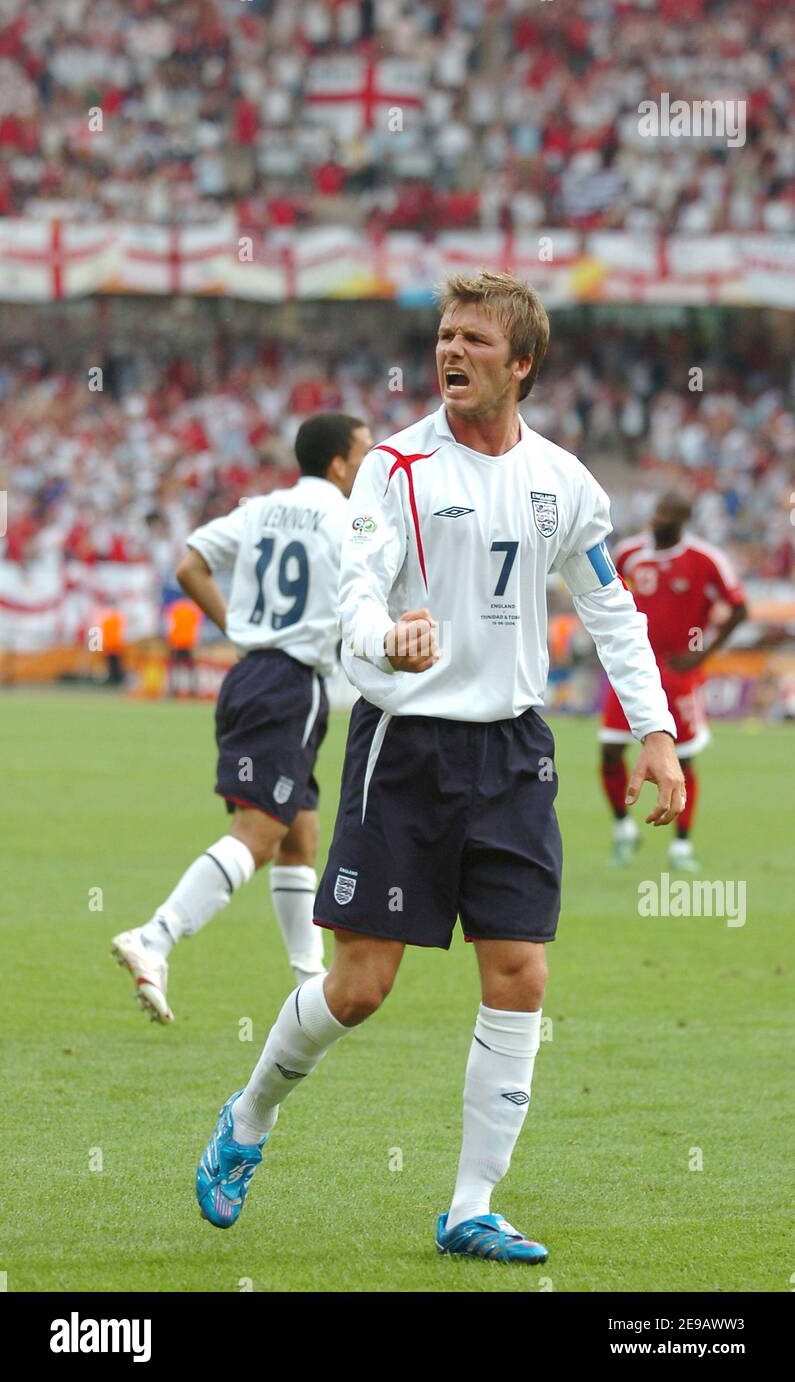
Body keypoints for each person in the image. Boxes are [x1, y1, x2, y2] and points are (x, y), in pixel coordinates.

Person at [195, 271, 684, 1262]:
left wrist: (657, 733)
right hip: (404, 748)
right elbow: (357, 596)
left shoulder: (563, 482)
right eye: (443, 337)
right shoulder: (395, 470)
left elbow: (611, 613)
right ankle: (248, 1117)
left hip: (513, 752)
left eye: (472, 339)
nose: (450, 353)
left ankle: (469, 1204)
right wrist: (389, 643)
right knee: (363, 985)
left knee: (521, 972)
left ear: (522, 364)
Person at [111, 412, 372, 1022]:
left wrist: (239, 628)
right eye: (363, 454)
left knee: (297, 835)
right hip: (290, 686)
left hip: (249, 674)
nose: (368, 466)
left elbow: (189, 565)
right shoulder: (349, 519)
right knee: (257, 836)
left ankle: (311, 981)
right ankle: (155, 937)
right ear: (338, 463)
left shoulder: (261, 508)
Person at [599, 491, 748, 869]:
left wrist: (703, 653)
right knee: (610, 750)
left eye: (669, 512)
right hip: (633, 668)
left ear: (682, 519)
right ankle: (623, 829)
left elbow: (739, 607)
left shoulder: (705, 559)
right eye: (659, 509)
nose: (660, 516)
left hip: (677, 673)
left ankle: (681, 845)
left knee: (683, 758)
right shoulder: (630, 553)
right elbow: (605, 595)